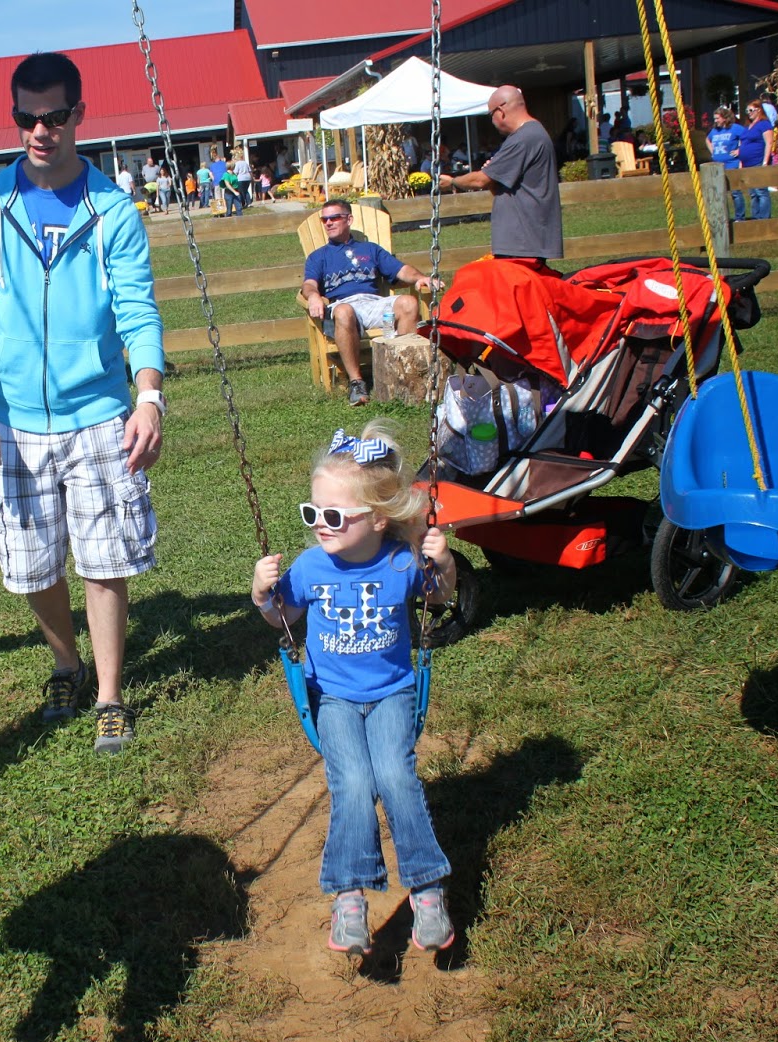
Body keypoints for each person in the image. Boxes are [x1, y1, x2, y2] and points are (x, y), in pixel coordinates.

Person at [0, 51, 164, 755]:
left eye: (55, 117)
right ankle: (65, 666)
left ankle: (107, 695)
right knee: (33, 566)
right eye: (26, 118)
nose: (41, 131)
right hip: (12, 420)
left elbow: (137, 309)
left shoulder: (111, 209)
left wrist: (148, 396)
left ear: (78, 116)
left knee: (104, 560)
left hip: (99, 413)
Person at [250, 423, 458, 957]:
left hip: (392, 691)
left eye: (335, 516)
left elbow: (438, 598)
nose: (321, 525)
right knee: (354, 781)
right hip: (334, 698)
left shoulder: (398, 562)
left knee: (394, 774)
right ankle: (348, 898)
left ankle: (427, 892)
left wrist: (444, 563)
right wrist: (262, 595)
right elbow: (283, 619)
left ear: (379, 519)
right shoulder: (312, 565)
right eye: (312, 513)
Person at [302, 199, 442, 407]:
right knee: (343, 311)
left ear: (349, 219)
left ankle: (402, 375)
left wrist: (421, 278)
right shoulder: (318, 257)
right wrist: (313, 296)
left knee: (409, 303)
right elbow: (309, 284)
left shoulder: (370, 249)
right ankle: (357, 382)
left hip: (374, 302)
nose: (328, 223)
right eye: (325, 219)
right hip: (344, 306)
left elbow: (401, 270)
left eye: (334, 218)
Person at [439, 85, 563, 265]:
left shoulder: (524, 137)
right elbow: (500, 186)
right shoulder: (530, 135)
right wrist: (493, 177)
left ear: (501, 110)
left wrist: (452, 182)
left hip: (522, 243)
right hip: (522, 241)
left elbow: (480, 180)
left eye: (491, 115)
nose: (492, 121)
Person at [707, 106, 748, 220]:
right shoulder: (715, 130)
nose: (715, 121)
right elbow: (708, 139)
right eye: (714, 118)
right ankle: (722, 218)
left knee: (735, 192)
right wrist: (713, 152)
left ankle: (740, 217)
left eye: (717, 118)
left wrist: (740, 150)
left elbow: (747, 137)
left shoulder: (735, 128)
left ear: (725, 118)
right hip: (718, 165)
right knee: (719, 193)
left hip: (732, 164)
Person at [736, 100, 774, 221]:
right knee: (753, 193)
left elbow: (769, 142)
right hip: (747, 164)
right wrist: (741, 162)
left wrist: (765, 161)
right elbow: (743, 144)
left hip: (758, 161)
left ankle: (763, 218)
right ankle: (755, 217)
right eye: (747, 111)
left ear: (759, 110)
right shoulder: (748, 127)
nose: (749, 113)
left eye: (751, 110)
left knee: (761, 191)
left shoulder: (764, 124)